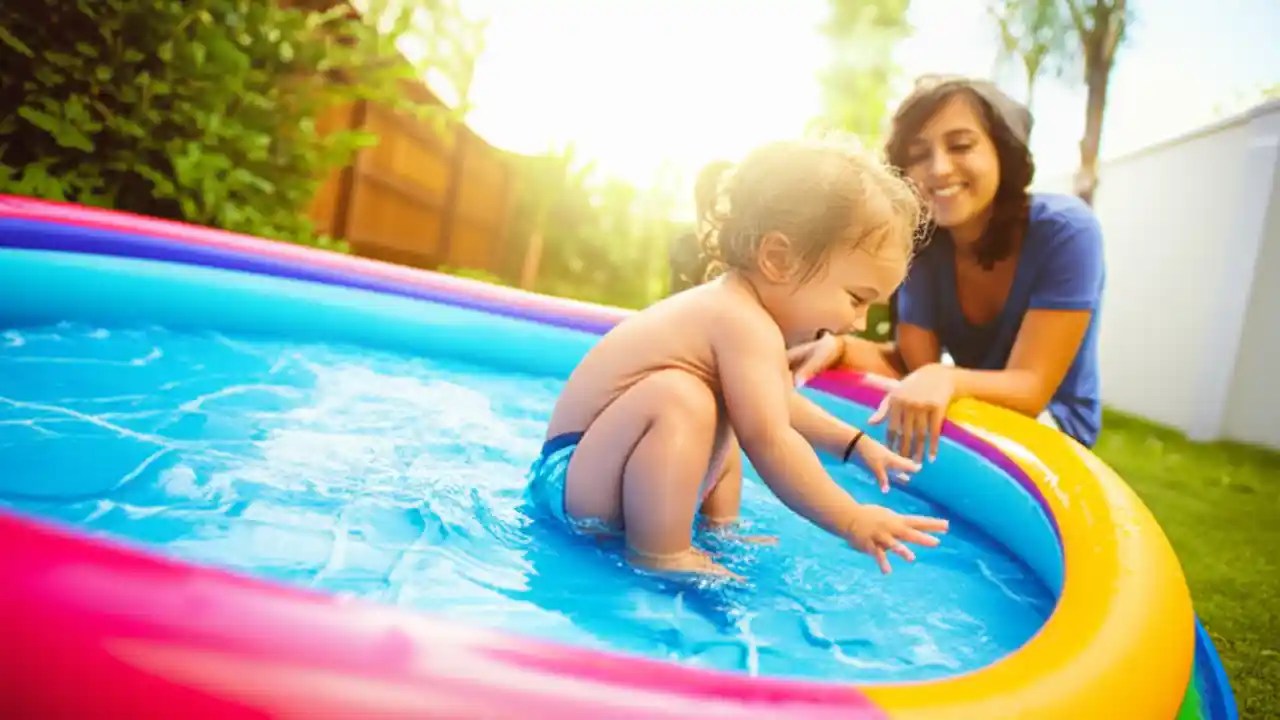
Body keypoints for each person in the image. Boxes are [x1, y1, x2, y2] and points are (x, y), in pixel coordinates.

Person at [527, 138, 949, 579]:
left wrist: (854, 445)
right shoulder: (740, 320)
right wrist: (851, 518)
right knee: (683, 397)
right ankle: (661, 553)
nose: (859, 322)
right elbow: (771, 441)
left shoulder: (746, 319)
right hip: (573, 482)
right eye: (856, 298)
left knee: (732, 404)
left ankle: (718, 530)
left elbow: (779, 403)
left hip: (604, 475)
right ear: (778, 259)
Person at [789, 76, 1107, 457]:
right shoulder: (925, 247)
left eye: (960, 145)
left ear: (1002, 152)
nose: (938, 168)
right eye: (919, 154)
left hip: (1055, 426)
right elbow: (911, 365)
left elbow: (1030, 389)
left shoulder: (1066, 231)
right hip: (970, 409)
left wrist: (944, 376)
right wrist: (840, 348)